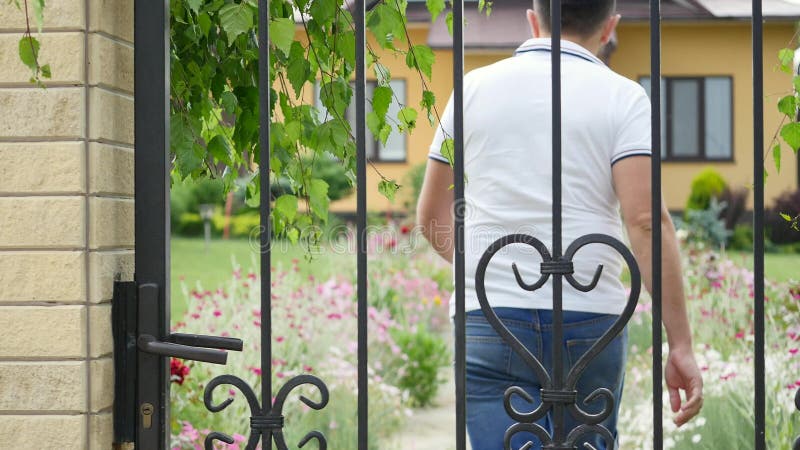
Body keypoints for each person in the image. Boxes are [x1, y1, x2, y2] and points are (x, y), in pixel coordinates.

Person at [416, 1, 704, 448]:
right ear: (610, 27)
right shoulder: (624, 97)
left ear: (534, 20)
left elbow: (432, 216)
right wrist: (680, 343)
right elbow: (646, 221)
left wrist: (487, 269)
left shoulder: (471, 88)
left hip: (489, 313)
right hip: (590, 316)